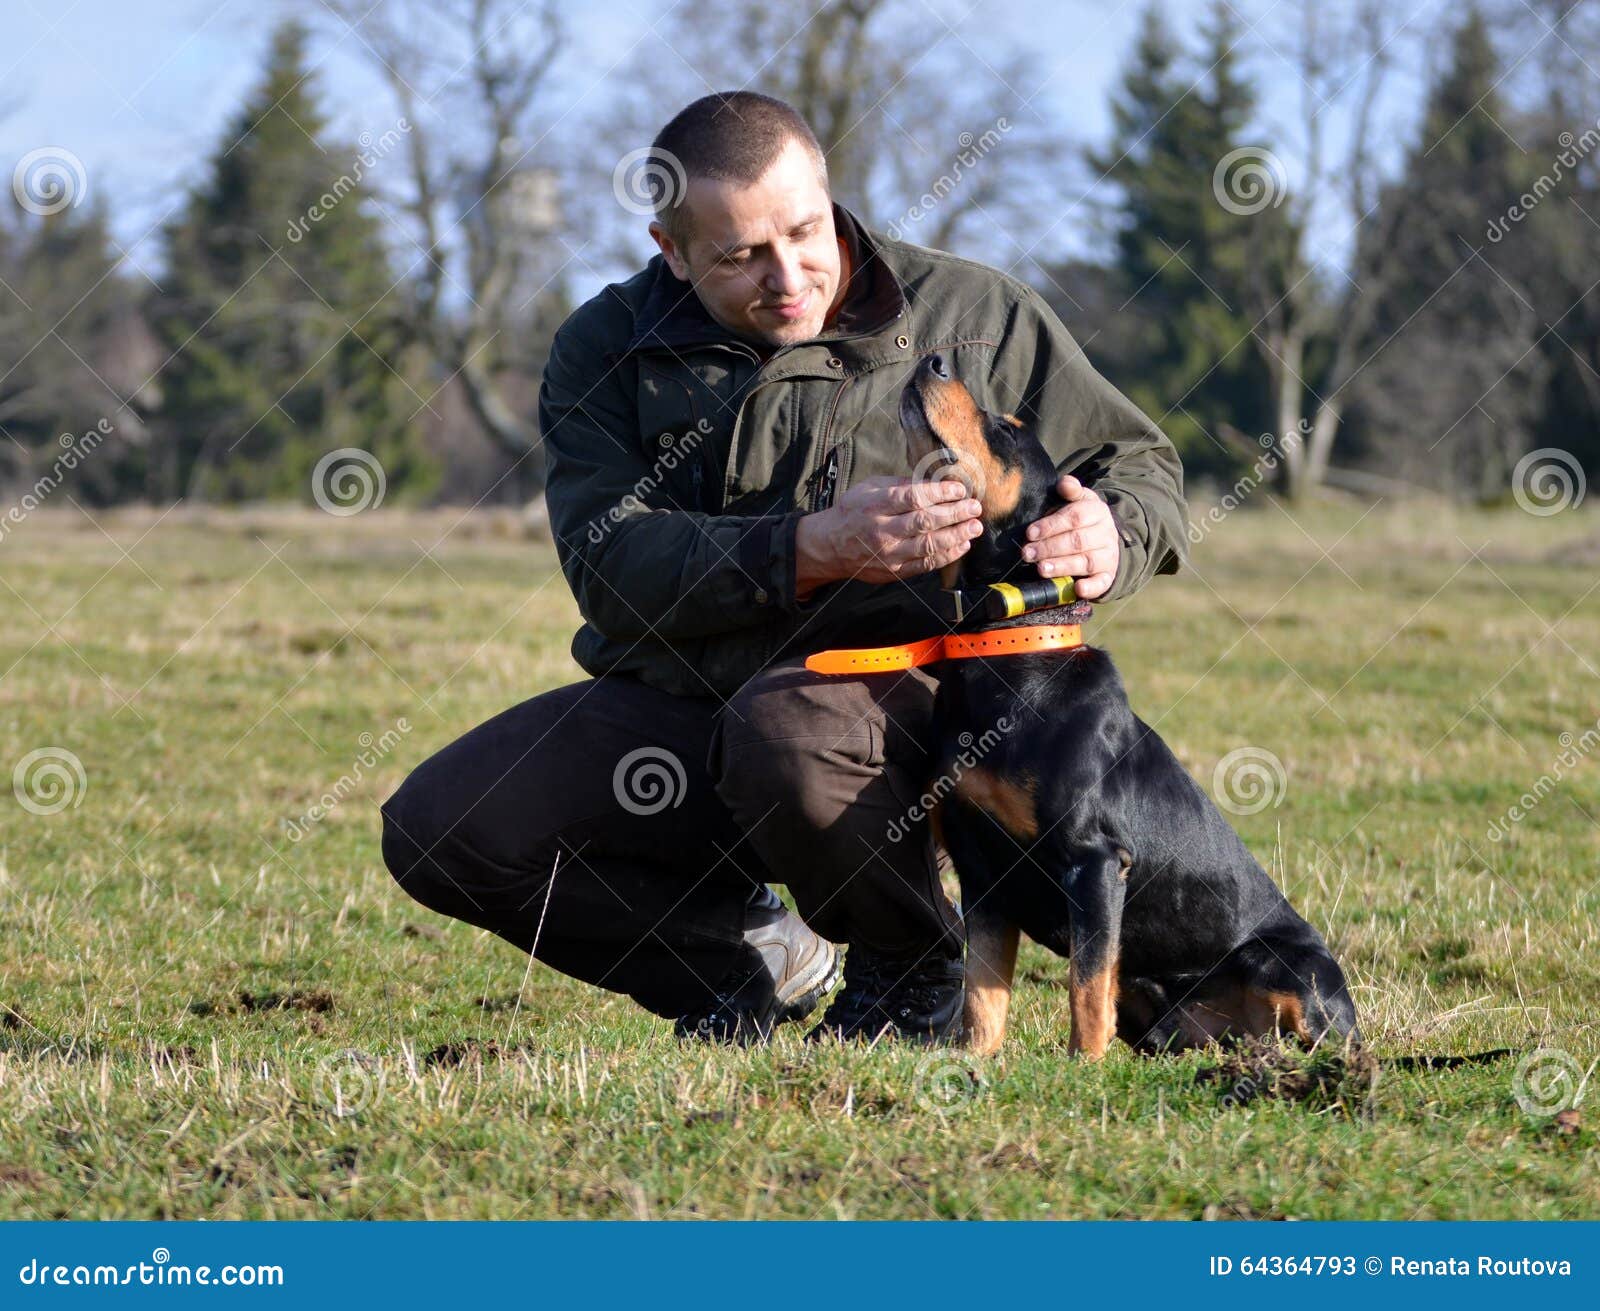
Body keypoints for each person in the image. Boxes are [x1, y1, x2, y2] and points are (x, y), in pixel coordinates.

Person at [381, 90, 1187, 1044]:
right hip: (679, 717)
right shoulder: (605, 347)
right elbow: (607, 563)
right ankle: (741, 961)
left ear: (829, 194)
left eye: (807, 232)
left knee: (786, 729)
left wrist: (1114, 534)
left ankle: (911, 973)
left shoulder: (978, 315)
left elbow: (1143, 467)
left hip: (908, 735)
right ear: (670, 250)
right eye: (739, 256)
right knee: (443, 826)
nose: (790, 277)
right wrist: (808, 547)